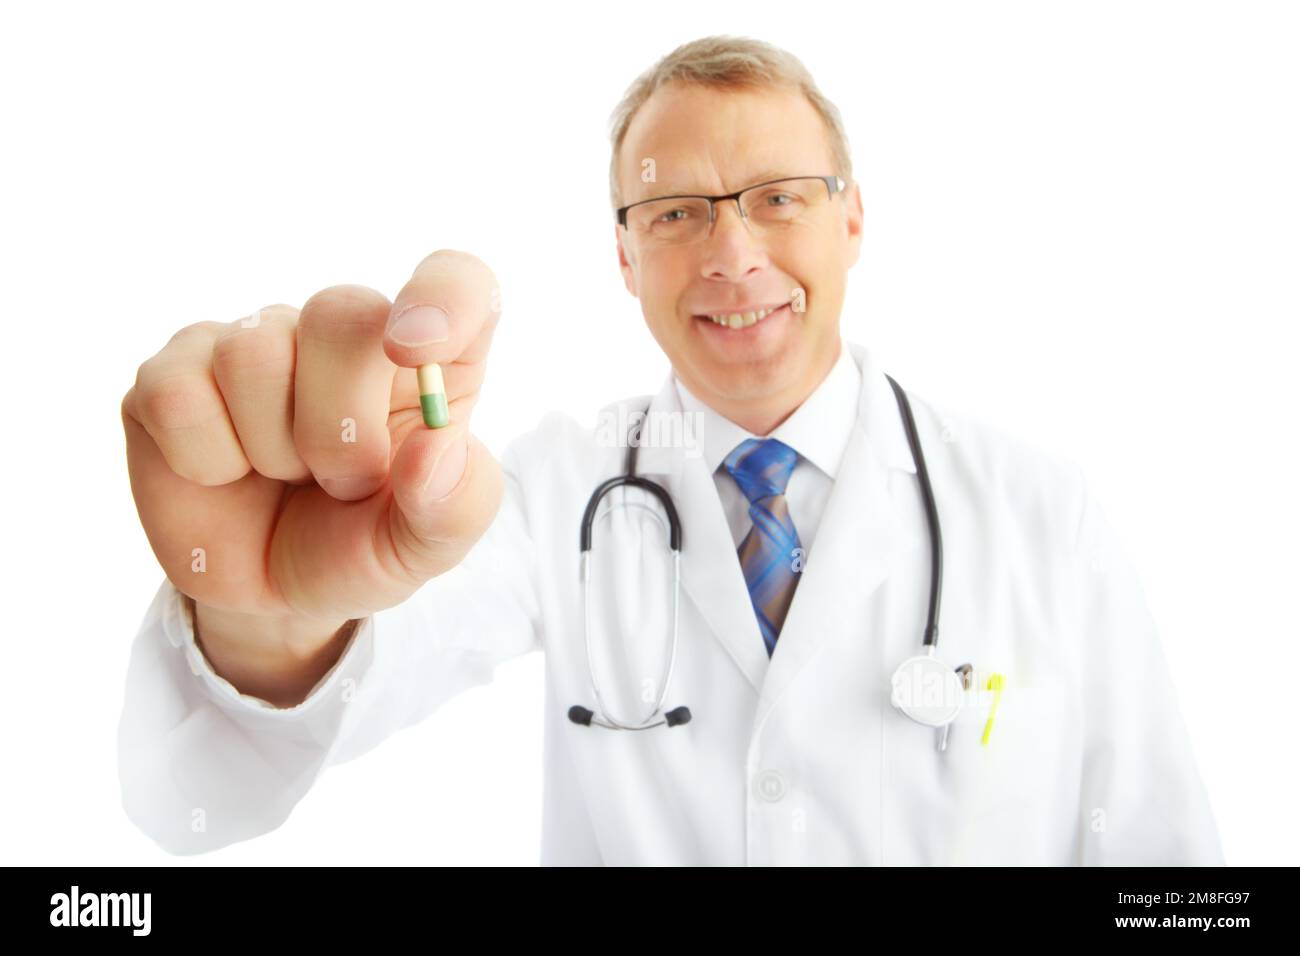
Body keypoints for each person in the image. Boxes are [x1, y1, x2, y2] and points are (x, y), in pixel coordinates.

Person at [117, 35, 1224, 864]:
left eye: (778, 199)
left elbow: (1166, 862)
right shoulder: (553, 492)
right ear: (624, 256)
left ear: (852, 222)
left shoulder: (1038, 510)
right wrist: (270, 616)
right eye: (677, 213)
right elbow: (227, 771)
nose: (732, 255)